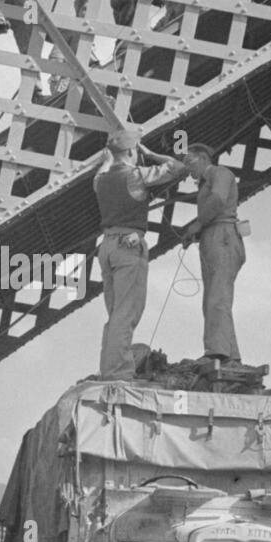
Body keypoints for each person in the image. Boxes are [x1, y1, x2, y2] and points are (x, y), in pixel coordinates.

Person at [93, 130, 187, 379]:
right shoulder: (134, 176)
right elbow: (177, 167)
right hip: (128, 246)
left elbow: (104, 169)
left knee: (115, 313)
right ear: (133, 152)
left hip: (107, 246)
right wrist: (152, 153)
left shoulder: (100, 179)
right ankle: (119, 372)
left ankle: (109, 368)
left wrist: (107, 161)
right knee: (128, 312)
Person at [181, 143, 246, 364]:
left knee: (217, 297)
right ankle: (230, 355)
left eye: (190, 162)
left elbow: (218, 200)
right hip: (214, 237)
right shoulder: (207, 181)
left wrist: (198, 224)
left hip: (223, 237)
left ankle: (217, 352)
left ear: (202, 158)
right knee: (215, 298)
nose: (188, 170)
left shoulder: (220, 173)